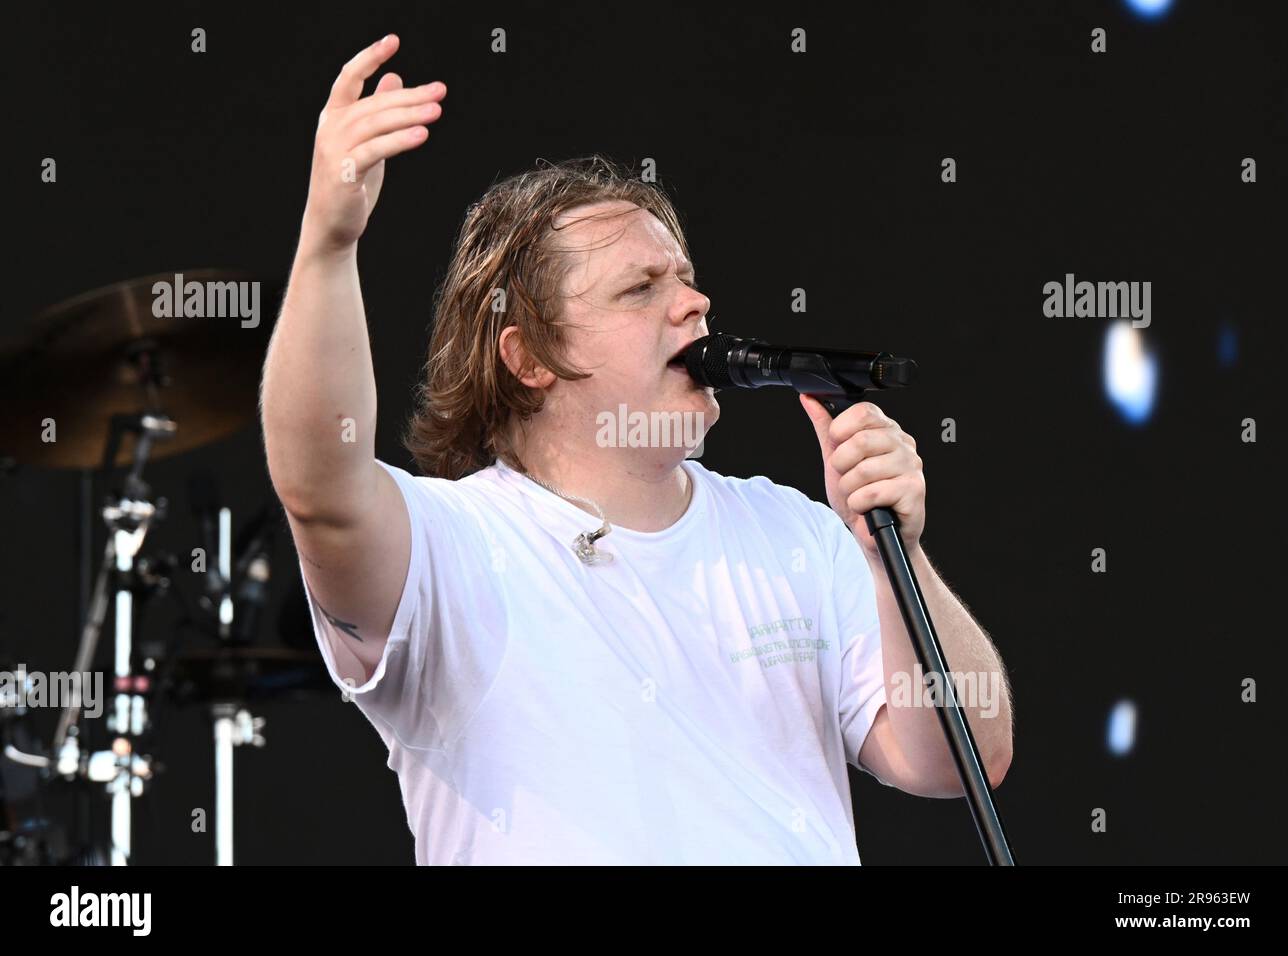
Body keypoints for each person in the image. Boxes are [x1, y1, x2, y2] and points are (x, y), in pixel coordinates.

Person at [260, 34, 1014, 865]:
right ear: (529, 357)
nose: (695, 303)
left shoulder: (795, 534)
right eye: (641, 288)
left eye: (685, 278)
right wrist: (327, 246)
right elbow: (319, 487)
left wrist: (891, 559)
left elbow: (962, 761)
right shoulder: (452, 546)